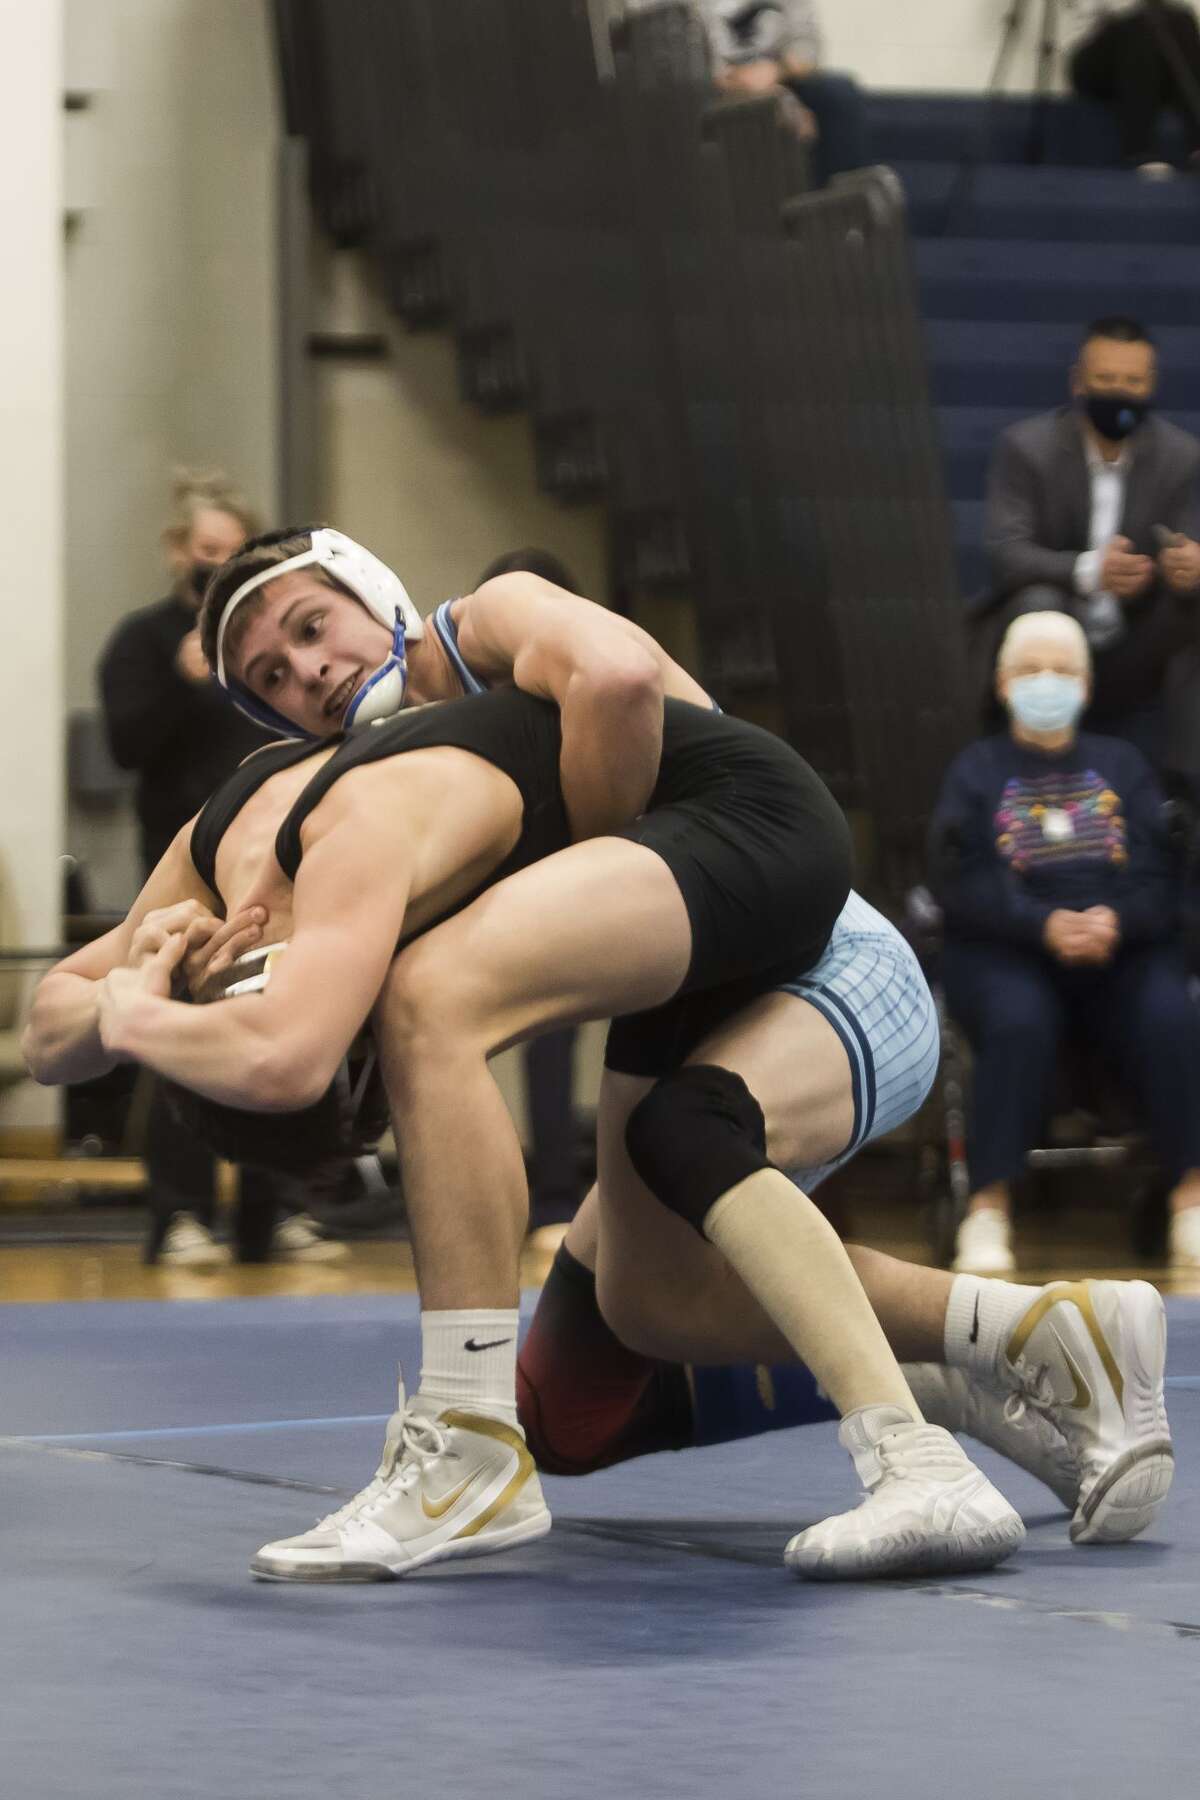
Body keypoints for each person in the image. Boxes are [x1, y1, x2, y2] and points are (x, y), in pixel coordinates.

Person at [22, 672, 1172, 1581]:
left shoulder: (417, 742)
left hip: (816, 946)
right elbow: (47, 1028)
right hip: (696, 985)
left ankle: (913, 1449)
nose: (307, 669)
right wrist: (144, 982)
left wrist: (136, 1015)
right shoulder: (247, 859)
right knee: (585, 1386)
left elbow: (631, 680)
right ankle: (1001, 1347)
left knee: (681, 1130)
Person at [97, 472, 340, 1269]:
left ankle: (273, 1213)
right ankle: (180, 1215)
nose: (213, 567)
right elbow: (125, 745)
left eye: (229, 555)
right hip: (180, 856)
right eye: (204, 555)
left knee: (272, 1007)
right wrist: (180, 678)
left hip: (269, 854)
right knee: (181, 1019)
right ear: (178, 554)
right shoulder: (141, 641)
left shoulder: (261, 644)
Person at [933, 609, 1200, 1274]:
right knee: (1017, 1019)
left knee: (1171, 1015)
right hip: (1006, 950)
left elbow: (1160, 872)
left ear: (1085, 685)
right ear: (1001, 683)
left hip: (1123, 947)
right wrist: (1041, 925)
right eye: (1029, 669)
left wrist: (1115, 919)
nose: (1045, 681)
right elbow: (960, 877)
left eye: (1061, 669)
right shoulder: (975, 770)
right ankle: (988, 1210)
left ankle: (1191, 1200)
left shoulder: (1125, 765)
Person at [979, 317, 1200, 773]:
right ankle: (1030, 772)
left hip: (1137, 639)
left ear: (1152, 385)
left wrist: (1188, 568)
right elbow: (1006, 553)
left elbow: (1186, 546)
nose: (1119, 393)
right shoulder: (1026, 448)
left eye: (1132, 381)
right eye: (1106, 380)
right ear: (1078, 383)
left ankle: (1185, 798)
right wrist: (1090, 571)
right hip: (1060, 625)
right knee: (1037, 603)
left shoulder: (1182, 457)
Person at [699, 1, 868, 189]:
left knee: (838, 93)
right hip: (712, 90)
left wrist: (777, 71)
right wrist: (752, 89)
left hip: (780, 78)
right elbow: (680, 58)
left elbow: (808, 46)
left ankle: (841, 205)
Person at [1067, 2, 1200, 175]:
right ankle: (1140, 151)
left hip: (1158, 64)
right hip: (1097, 59)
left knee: (1182, 21)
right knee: (1143, 23)